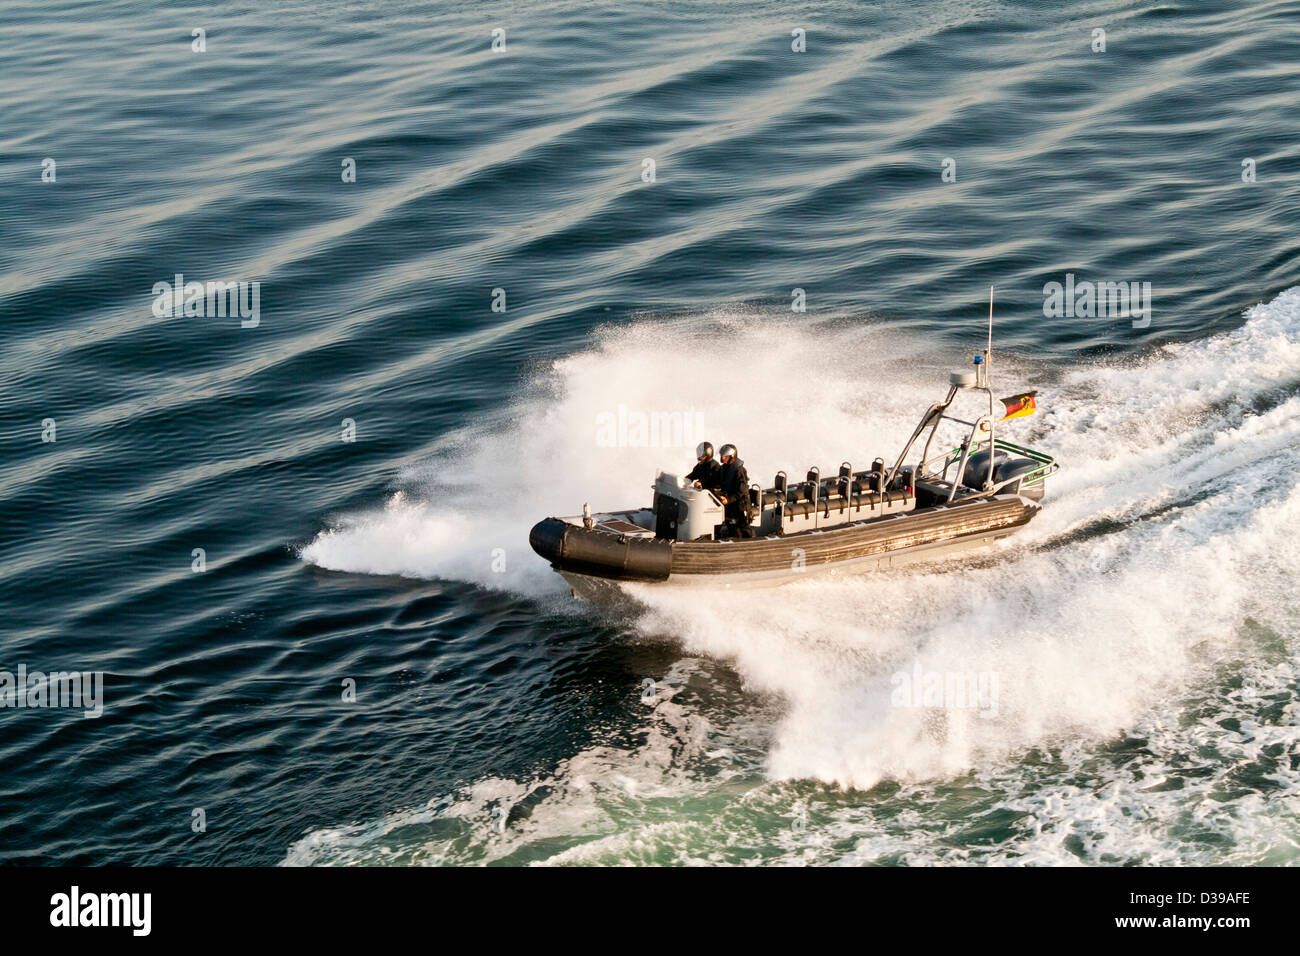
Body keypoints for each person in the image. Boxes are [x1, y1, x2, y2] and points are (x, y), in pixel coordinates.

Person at [717, 444, 754, 538]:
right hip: (730, 503)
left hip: (740, 504)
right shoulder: (723, 468)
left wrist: (728, 499)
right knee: (731, 526)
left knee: (744, 527)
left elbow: (741, 491)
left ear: (732, 457)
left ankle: (752, 544)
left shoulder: (739, 470)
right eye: (722, 456)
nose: (723, 458)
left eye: (725, 456)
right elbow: (718, 482)